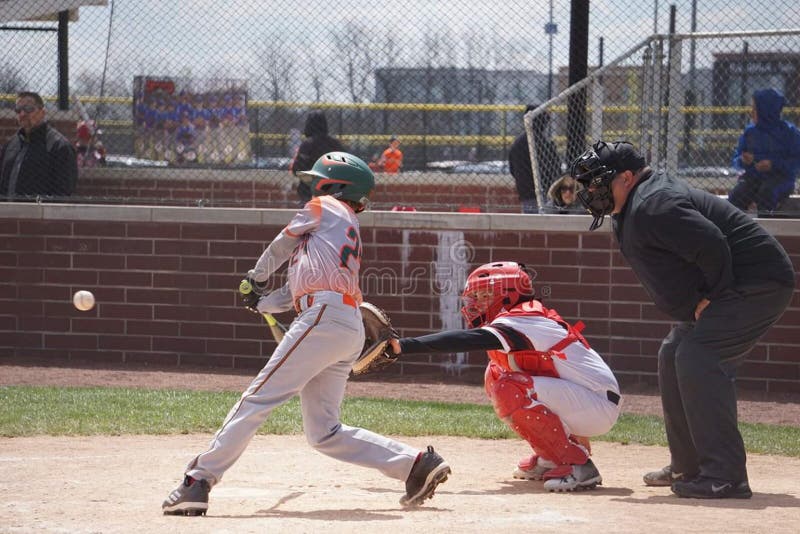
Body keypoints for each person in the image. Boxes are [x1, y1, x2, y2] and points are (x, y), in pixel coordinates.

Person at [162, 152, 451, 516]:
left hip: (324, 317)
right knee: (324, 432)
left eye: (319, 180)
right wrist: (262, 302)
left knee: (257, 399)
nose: (312, 186)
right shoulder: (333, 231)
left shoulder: (324, 206)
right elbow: (295, 292)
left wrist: (256, 276)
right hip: (342, 323)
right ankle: (415, 465)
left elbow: (281, 244)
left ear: (334, 184)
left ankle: (198, 480)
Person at [571, 140, 795, 499]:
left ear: (627, 178)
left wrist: (713, 293)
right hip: (740, 281)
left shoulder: (654, 204)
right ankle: (689, 466)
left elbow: (712, 242)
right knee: (674, 351)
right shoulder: (635, 203)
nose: (593, 191)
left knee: (699, 356)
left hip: (759, 282)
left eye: (600, 182)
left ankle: (725, 476)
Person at [389, 261, 621, 492]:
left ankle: (578, 465)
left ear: (507, 295)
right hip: (585, 399)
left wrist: (403, 346)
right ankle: (552, 456)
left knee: (510, 389)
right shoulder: (520, 317)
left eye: (484, 295)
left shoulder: (525, 319)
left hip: (597, 404)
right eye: (476, 296)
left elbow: (465, 339)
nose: (477, 302)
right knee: (496, 374)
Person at [729, 88, 800, 217]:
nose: (751, 112)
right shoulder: (750, 132)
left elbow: (796, 162)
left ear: (766, 110)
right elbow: (736, 160)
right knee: (738, 194)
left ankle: (767, 227)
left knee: (766, 192)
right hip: (754, 178)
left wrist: (773, 164)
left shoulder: (789, 133)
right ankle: (734, 229)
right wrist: (743, 160)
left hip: (780, 179)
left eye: (755, 109)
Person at [0, 91, 78, 199]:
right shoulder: (10, 146)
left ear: (42, 112)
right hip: (9, 213)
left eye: (28, 109)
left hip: (40, 214)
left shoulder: (59, 147)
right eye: (18, 110)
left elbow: (63, 193)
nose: (22, 114)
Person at [508, 104, 561, 214]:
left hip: (526, 194)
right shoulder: (542, 142)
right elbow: (553, 168)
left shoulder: (518, 143)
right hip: (544, 194)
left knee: (531, 226)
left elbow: (512, 169)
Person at [289, 111, 345, 203]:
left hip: (309, 192)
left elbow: (297, 170)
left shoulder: (307, 144)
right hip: (334, 191)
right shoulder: (335, 144)